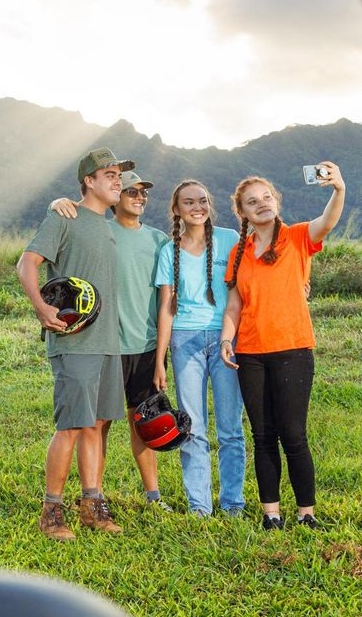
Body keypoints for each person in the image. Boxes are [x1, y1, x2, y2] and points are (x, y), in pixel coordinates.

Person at [219, 163, 346, 531]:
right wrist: (226, 338)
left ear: (276, 201)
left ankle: (306, 514)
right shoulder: (239, 252)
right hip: (250, 353)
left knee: (293, 435)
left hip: (293, 349)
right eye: (252, 201)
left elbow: (327, 222)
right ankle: (271, 514)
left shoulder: (297, 237)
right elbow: (234, 305)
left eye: (266, 197)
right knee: (262, 436)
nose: (261, 204)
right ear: (242, 212)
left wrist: (338, 189)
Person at [17, 147, 131, 541]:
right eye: (110, 175)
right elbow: (26, 263)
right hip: (75, 341)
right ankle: (52, 512)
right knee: (71, 425)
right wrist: (41, 308)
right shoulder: (64, 217)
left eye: (119, 175)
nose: (118, 181)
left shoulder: (106, 225)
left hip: (108, 342)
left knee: (97, 425)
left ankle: (91, 507)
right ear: (89, 180)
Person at [49, 170, 174, 512]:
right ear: (116, 196)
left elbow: (169, 297)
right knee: (97, 424)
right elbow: (72, 223)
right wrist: (57, 202)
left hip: (145, 345)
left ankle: (153, 496)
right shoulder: (102, 232)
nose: (139, 197)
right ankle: (94, 497)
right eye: (131, 191)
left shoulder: (159, 240)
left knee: (144, 420)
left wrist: (160, 357)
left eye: (143, 192)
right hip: (106, 345)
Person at [152, 180, 246, 517]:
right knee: (191, 427)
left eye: (202, 200)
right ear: (177, 209)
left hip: (226, 339)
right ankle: (200, 507)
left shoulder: (229, 239)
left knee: (231, 429)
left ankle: (233, 504)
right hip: (185, 341)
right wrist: (160, 359)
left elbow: (255, 275)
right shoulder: (169, 252)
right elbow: (166, 309)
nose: (197, 207)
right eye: (189, 202)